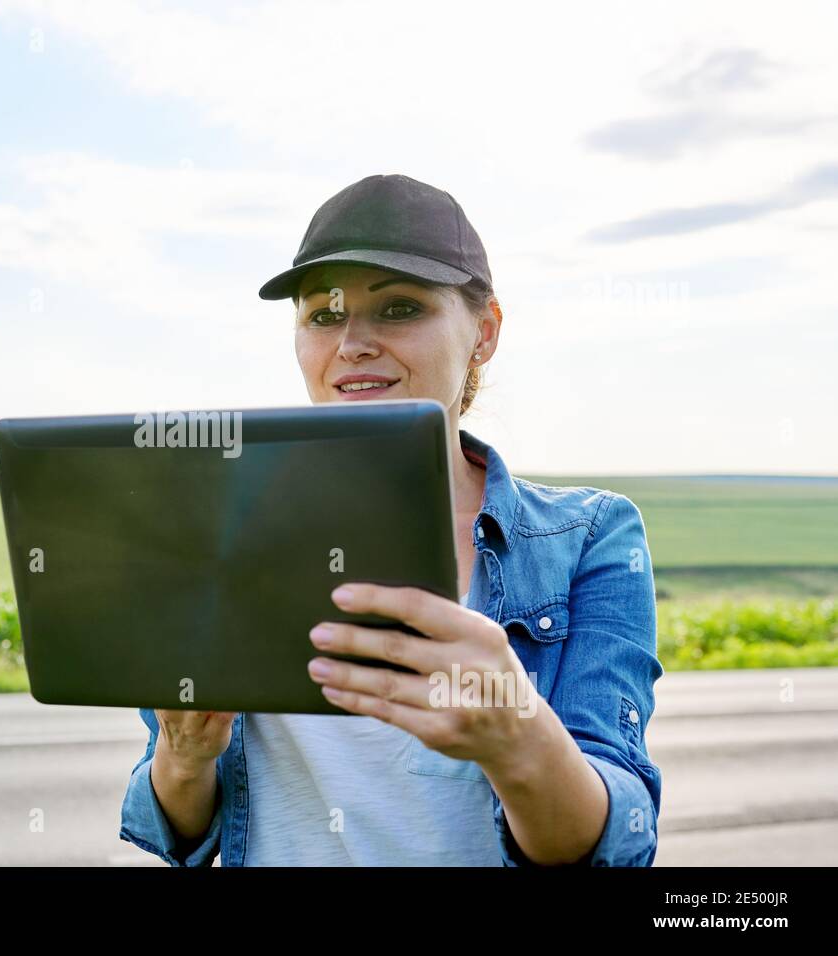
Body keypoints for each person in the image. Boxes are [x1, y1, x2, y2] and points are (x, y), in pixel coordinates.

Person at [118, 174, 663, 866]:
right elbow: (177, 828)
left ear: (485, 332)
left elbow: (618, 843)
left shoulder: (588, 538)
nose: (352, 343)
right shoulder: (217, 536)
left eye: (400, 308)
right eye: (322, 315)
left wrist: (517, 736)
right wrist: (184, 757)